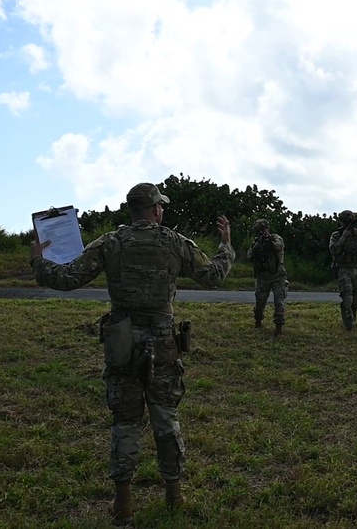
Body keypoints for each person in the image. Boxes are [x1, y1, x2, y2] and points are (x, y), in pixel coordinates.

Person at [29, 183, 234, 525]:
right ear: (155, 209)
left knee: (125, 421)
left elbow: (66, 279)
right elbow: (213, 275)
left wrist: (39, 260)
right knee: (165, 417)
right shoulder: (173, 242)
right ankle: (174, 494)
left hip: (121, 341)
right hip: (163, 341)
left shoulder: (110, 242)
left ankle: (122, 502)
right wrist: (226, 245)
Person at [329, 210, 357, 331]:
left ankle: (353, 318)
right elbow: (334, 250)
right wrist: (344, 237)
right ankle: (348, 325)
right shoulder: (337, 235)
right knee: (347, 298)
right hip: (344, 268)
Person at [246, 218, 288, 337]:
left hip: (277, 275)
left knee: (279, 301)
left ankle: (279, 326)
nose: (261, 233)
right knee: (260, 302)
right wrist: (259, 244)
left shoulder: (276, 238)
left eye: (263, 230)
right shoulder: (256, 242)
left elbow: (278, 247)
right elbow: (249, 256)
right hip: (262, 276)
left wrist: (268, 240)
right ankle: (258, 320)